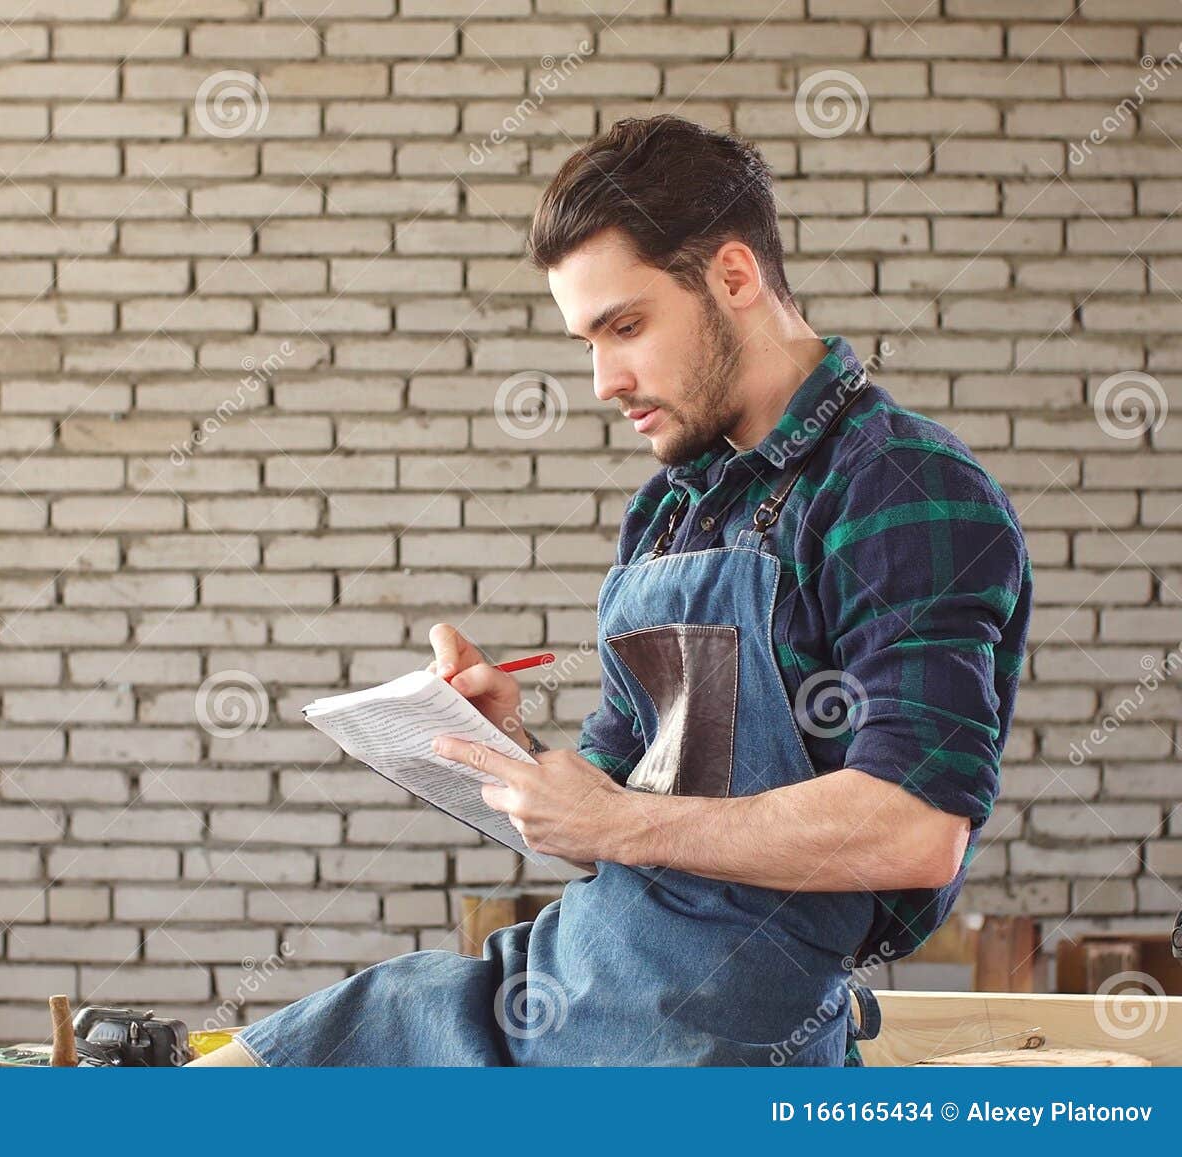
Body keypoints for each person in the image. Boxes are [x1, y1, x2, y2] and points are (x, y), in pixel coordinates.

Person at [188, 114, 1032, 1067]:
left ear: (735, 277)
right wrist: (508, 753)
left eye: (625, 327)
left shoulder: (900, 487)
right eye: (585, 341)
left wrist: (619, 819)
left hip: (714, 1037)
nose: (602, 380)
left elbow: (915, 829)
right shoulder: (668, 513)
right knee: (223, 1080)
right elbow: (610, 827)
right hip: (559, 981)